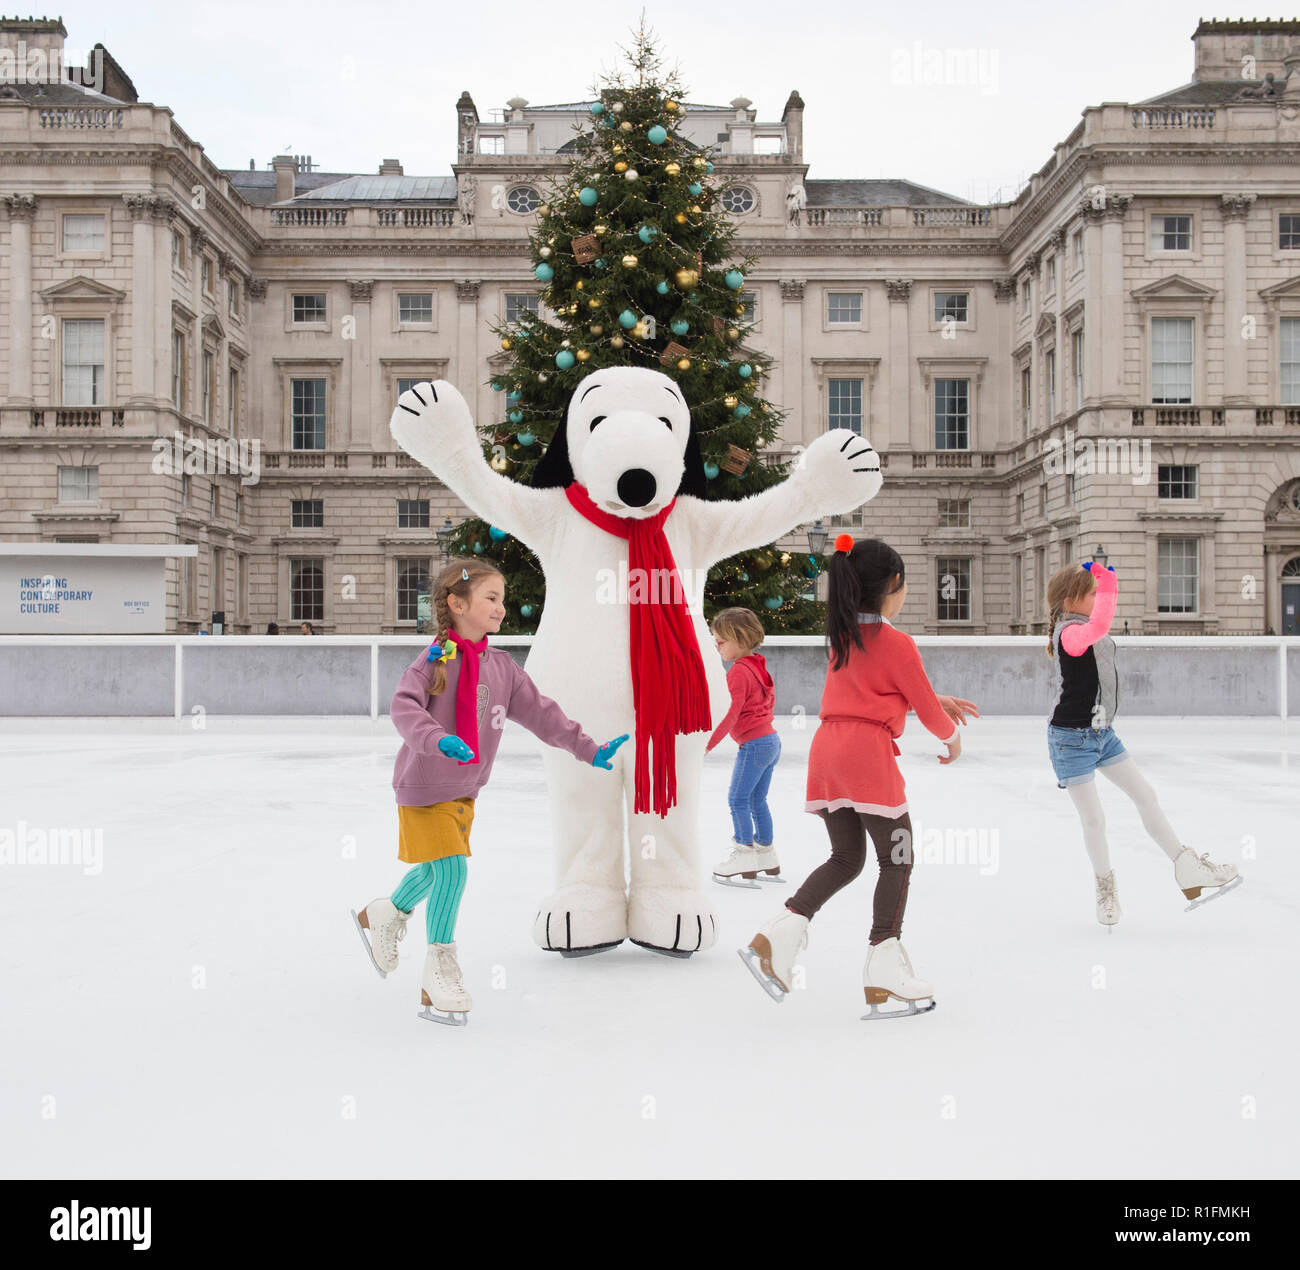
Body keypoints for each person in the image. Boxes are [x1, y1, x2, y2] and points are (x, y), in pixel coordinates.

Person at [350, 558, 628, 1026]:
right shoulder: (436, 658)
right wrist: (434, 738)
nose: (502, 607)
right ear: (457, 604)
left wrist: (588, 748)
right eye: (491, 598)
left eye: (502, 598)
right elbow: (403, 706)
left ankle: (386, 912)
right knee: (453, 870)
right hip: (423, 785)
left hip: (464, 789)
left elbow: (544, 715)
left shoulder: (503, 669)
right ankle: (439, 965)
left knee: (438, 869)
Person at [741, 536, 977, 1020]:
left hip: (829, 751)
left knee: (847, 857)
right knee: (898, 858)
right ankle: (884, 969)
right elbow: (925, 710)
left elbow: (881, 690)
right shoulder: (897, 642)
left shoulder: (842, 635)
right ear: (894, 584)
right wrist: (951, 737)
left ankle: (778, 934)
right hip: (868, 756)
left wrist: (933, 701)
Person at [1045, 561, 1241, 926]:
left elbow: (1102, 620)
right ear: (1072, 600)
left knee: (1146, 796)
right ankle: (1105, 891)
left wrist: (1105, 584)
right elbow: (1101, 624)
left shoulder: (1084, 625)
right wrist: (1109, 580)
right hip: (1071, 739)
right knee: (1094, 820)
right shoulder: (1070, 632)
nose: (1100, 600)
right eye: (1093, 594)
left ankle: (1187, 868)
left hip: (1103, 735)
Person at [706, 607, 783, 888]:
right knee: (756, 800)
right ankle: (766, 855)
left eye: (721, 641)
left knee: (737, 800)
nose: (717, 646)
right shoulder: (757, 665)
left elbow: (731, 713)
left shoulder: (738, 672)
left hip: (754, 744)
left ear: (739, 638)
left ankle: (744, 853)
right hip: (770, 741)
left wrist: (708, 744)